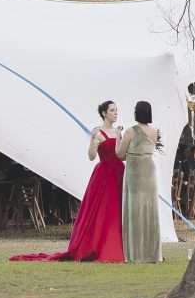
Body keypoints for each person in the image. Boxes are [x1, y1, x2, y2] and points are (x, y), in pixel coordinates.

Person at [10, 99, 124, 263]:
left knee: (118, 210)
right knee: (104, 210)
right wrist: (94, 141)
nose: (116, 113)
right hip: (105, 174)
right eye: (112, 110)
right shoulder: (98, 133)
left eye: (116, 110)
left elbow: (120, 154)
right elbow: (91, 157)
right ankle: (103, 245)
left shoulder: (118, 132)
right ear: (104, 113)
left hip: (119, 172)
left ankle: (119, 244)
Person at [117, 100, 162, 263]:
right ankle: (152, 253)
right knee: (149, 209)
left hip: (135, 171)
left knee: (134, 210)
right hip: (149, 170)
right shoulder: (155, 131)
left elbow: (120, 154)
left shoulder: (131, 131)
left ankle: (135, 253)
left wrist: (117, 137)